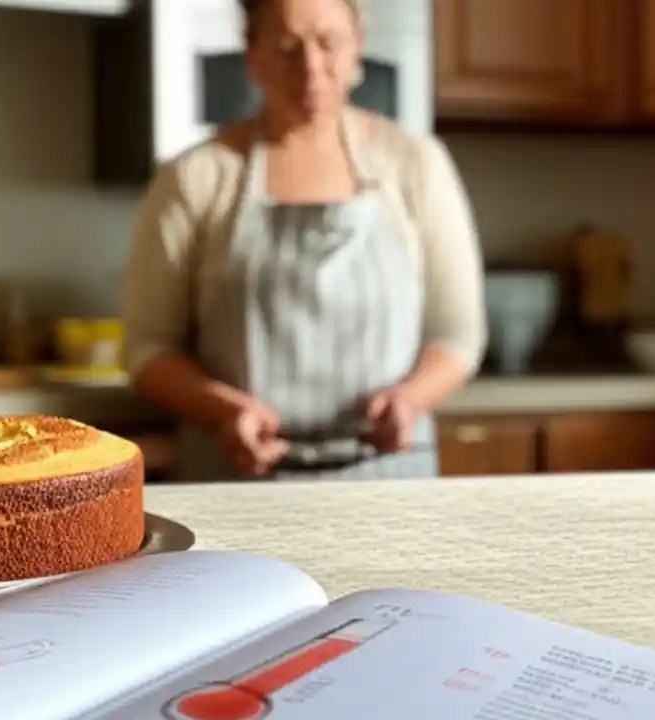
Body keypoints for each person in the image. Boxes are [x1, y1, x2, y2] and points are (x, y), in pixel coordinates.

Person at [120, 0, 486, 482]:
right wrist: (223, 411)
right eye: (288, 47)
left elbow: (457, 336)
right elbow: (148, 348)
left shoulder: (416, 164)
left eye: (328, 43)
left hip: (392, 485)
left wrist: (410, 399)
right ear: (251, 53)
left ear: (358, 45)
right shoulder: (195, 177)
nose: (310, 67)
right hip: (237, 485)